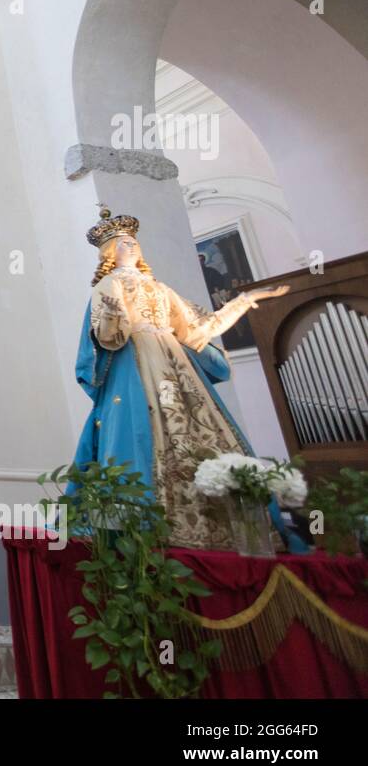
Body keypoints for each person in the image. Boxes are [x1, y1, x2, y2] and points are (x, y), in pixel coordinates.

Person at [72, 207, 288, 549]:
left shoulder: (160, 288)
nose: (132, 246)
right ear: (110, 253)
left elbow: (197, 328)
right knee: (144, 430)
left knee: (200, 427)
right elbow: (108, 336)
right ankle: (160, 527)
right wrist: (113, 307)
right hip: (139, 360)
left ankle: (225, 526)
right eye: (124, 243)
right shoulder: (109, 284)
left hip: (174, 359)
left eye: (133, 241)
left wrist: (243, 301)